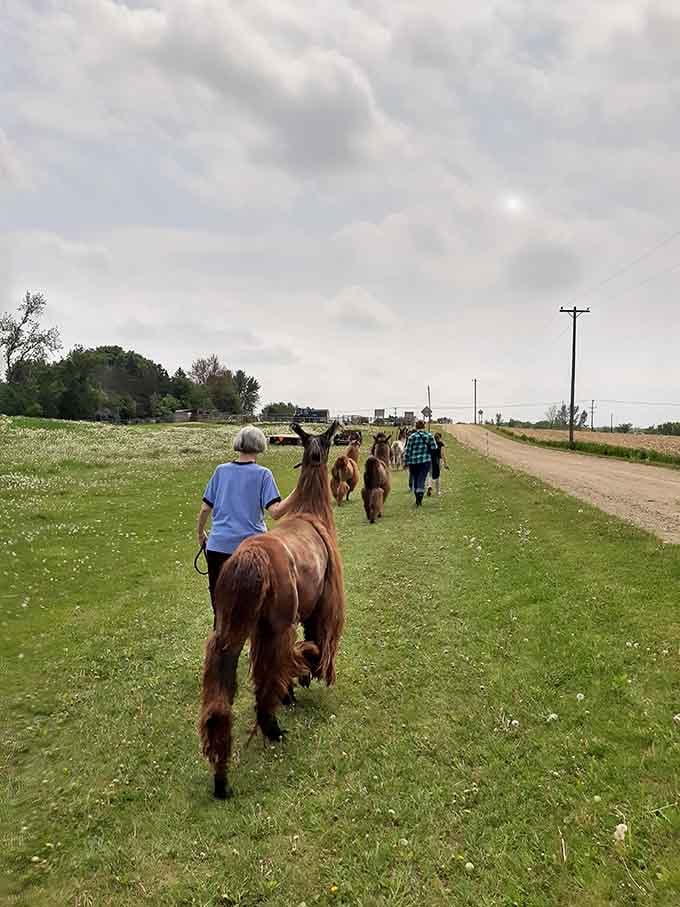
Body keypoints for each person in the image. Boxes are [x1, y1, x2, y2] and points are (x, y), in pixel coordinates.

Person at [196, 425, 291, 623]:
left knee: (220, 607)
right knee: (253, 609)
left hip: (218, 547)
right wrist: (299, 493)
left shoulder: (220, 471)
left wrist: (201, 535)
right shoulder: (263, 474)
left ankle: (220, 642)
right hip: (251, 551)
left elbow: (205, 509)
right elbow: (275, 512)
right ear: (260, 446)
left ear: (239, 445)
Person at [403, 420, 437, 506]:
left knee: (415, 479)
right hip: (425, 461)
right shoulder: (429, 435)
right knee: (422, 479)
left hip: (413, 462)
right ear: (424, 426)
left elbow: (407, 451)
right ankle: (419, 499)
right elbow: (434, 447)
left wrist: (406, 462)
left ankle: (417, 497)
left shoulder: (411, 437)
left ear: (416, 426)